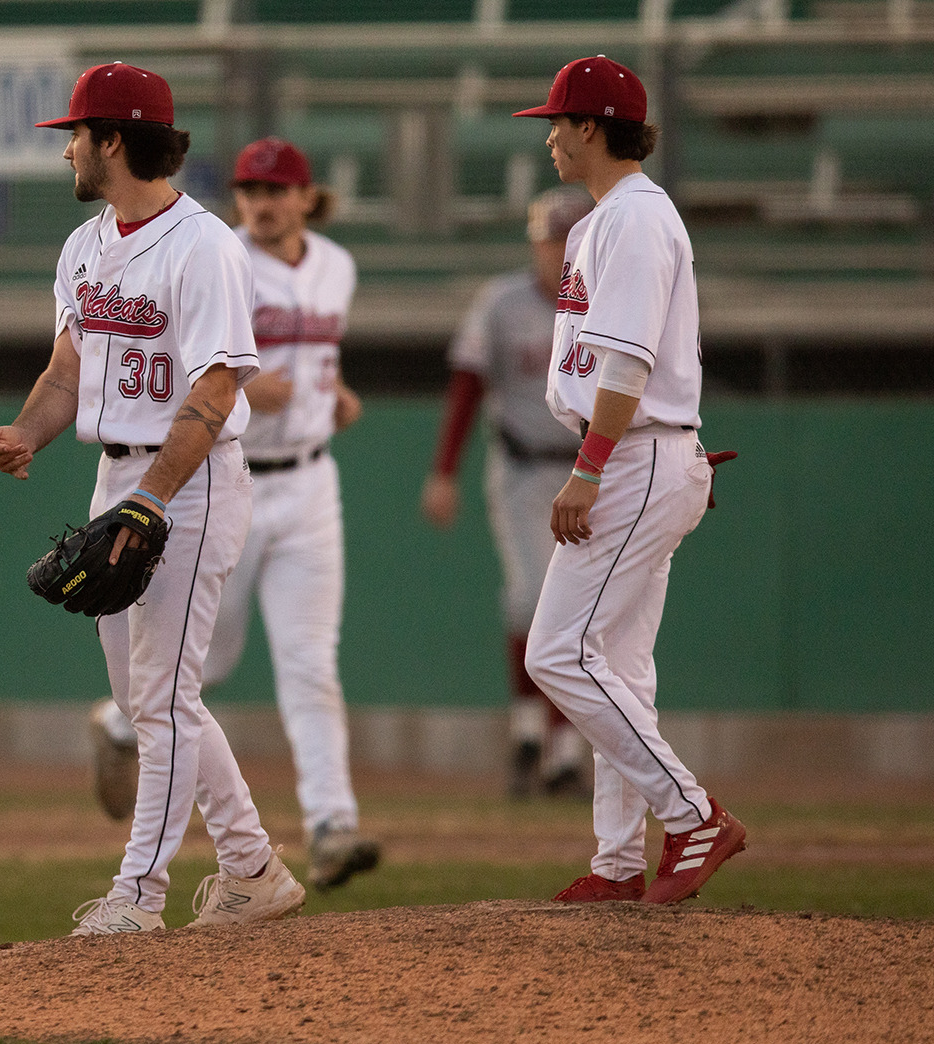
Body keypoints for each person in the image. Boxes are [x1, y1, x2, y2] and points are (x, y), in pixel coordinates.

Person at [0, 63, 305, 935]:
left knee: (161, 697)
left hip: (187, 482)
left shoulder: (204, 245)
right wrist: (28, 433)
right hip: (117, 476)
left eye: (76, 135)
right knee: (148, 701)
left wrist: (151, 502)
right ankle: (252, 868)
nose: (68, 151)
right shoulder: (84, 246)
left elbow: (218, 388)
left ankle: (137, 896)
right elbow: (66, 370)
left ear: (113, 140)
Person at [87, 137, 378, 891]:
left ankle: (332, 825)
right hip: (226, 475)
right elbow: (202, 369)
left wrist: (333, 393)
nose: (262, 202)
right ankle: (121, 724)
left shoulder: (337, 266)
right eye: (251, 190)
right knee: (202, 665)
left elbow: (319, 355)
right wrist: (254, 390)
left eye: (277, 190)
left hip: (310, 482)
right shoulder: (219, 254)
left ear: (307, 197)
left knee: (310, 663)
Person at [513, 56, 747, 904]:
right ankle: (617, 863)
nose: (548, 136)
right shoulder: (601, 222)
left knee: (556, 652)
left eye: (556, 121)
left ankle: (693, 817)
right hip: (639, 453)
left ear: (590, 127)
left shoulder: (639, 219)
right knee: (616, 666)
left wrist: (587, 470)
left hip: (634, 454)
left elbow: (627, 365)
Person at [421, 187, 596, 800]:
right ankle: (529, 733)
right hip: (522, 468)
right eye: (548, 240)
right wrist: (444, 471)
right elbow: (467, 385)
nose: (556, 252)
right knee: (530, 598)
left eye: (567, 240)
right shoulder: (503, 301)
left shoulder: (608, 304)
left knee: (580, 611)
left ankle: (563, 752)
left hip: (593, 472)